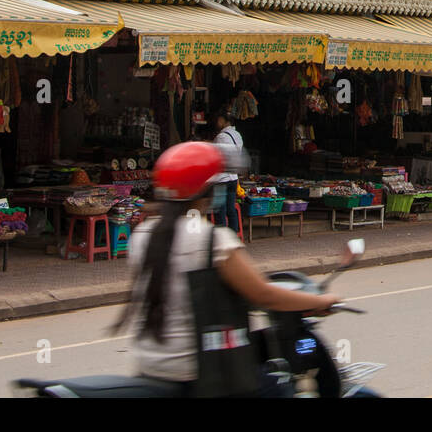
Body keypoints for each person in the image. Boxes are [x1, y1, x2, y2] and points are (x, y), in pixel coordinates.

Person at [118, 142, 340, 395]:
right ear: (207, 191)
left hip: (150, 367)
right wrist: (318, 300)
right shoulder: (211, 239)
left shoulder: (143, 235)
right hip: (199, 373)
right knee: (280, 386)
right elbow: (262, 294)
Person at [212, 108, 246, 233]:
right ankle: (233, 236)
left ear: (223, 120)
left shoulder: (221, 137)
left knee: (220, 210)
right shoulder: (237, 135)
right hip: (233, 178)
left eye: (218, 119)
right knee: (230, 209)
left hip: (222, 179)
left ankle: (222, 238)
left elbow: (217, 157)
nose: (217, 122)